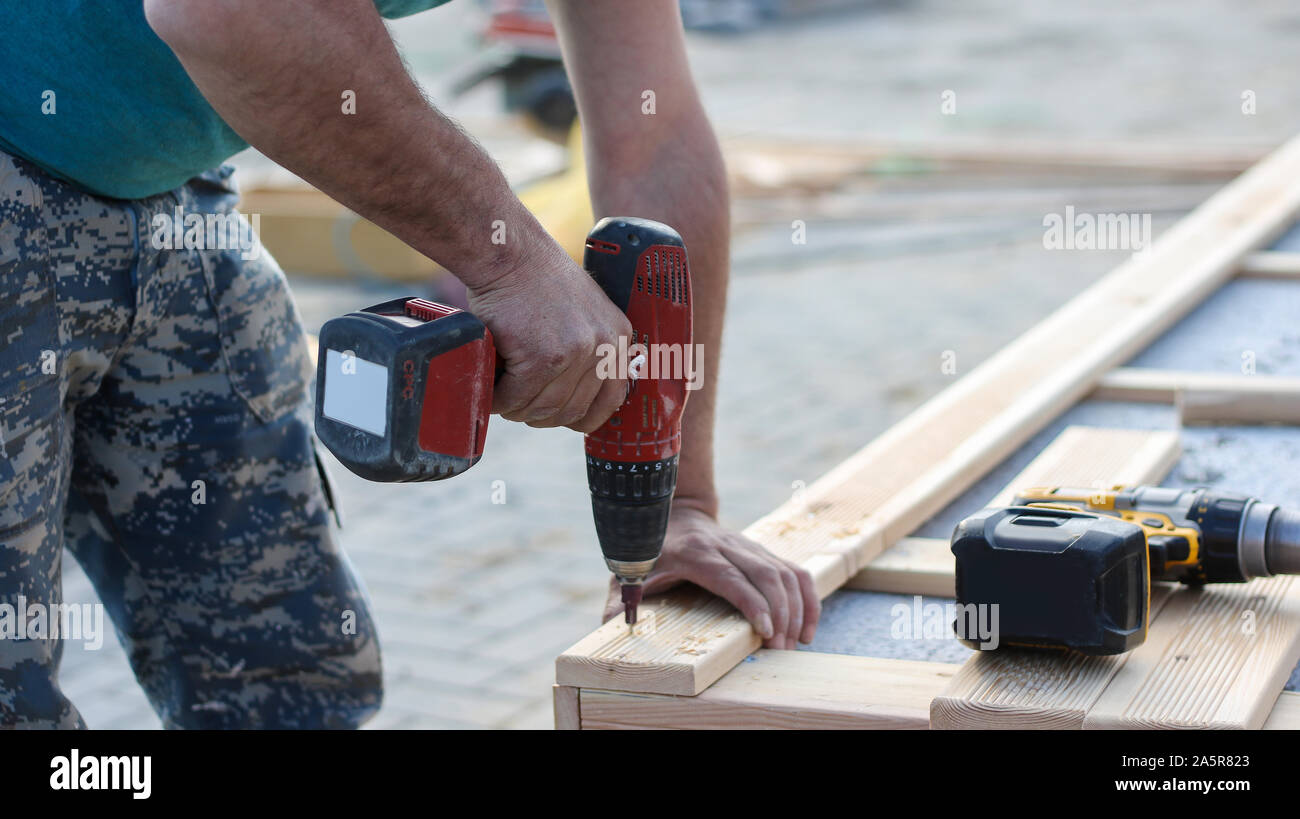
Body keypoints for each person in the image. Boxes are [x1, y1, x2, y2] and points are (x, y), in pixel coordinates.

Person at [0, 0, 819, 729]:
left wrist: (678, 506)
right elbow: (230, 14)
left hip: (165, 179)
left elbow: (656, 132)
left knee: (294, 679)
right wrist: (514, 263)